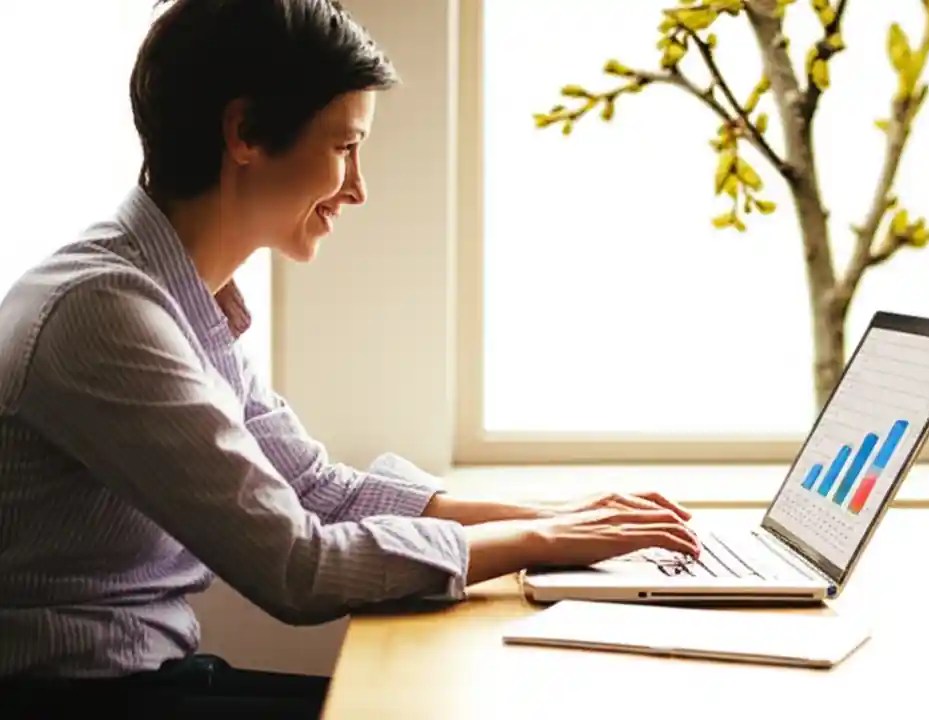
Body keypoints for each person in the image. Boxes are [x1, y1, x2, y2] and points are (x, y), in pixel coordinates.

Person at [0, 1, 701, 717]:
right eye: (344, 148)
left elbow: (318, 489)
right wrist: (539, 538)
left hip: (151, 681)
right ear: (243, 132)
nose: (358, 187)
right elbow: (299, 567)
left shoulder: (173, 297)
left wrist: (566, 518)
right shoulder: (106, 314)